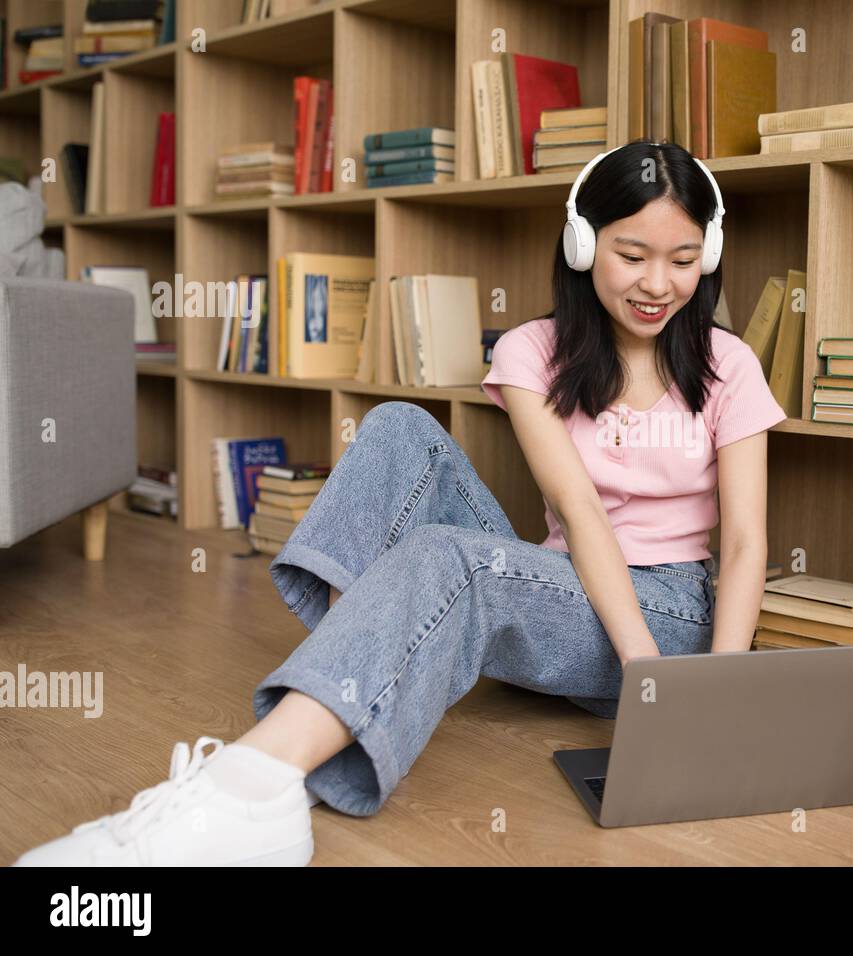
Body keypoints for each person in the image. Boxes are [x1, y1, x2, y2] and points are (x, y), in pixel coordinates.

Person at [12, 139, 787, 866]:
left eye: (684, 260)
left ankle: (255, 780)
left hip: (671, 616)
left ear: (708, 256)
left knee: (454, 562)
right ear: (584, 247)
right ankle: (312, 728)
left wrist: (692, 697)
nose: (659, 284)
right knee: (397, 427)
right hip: (564, 590)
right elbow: (576, 507)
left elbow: (747, 543)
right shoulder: (530, 350)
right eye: (632, 255)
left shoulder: (730, 365)